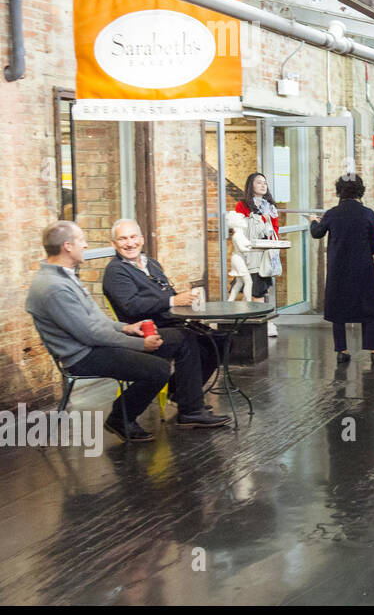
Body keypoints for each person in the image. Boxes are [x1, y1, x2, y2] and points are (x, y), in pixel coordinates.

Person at [26, 222, 229, 441]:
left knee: (191, 339)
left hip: (95, 345)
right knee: (159, 368)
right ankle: (120, 419)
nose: (85, 245)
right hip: (83, 356)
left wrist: (126, 328)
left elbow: (97, 322)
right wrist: (140, 344)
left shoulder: (64, 277)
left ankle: (188, 406)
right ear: (67, 246)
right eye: (81, 240)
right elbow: (92, 334)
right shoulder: (54, 287)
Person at [102, 218, 227, 406]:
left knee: (220, 341)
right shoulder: (116, 271)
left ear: (142, 239)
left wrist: (186, 303)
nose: (130, 243)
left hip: (171, 323)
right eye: (123, 239)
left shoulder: (151, 264)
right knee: (188, 339)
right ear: (113, 244)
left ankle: (178, 392)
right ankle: (191, 409)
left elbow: (167, 292)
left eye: (133, 237)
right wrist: (172, 301)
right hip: (144, 332)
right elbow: (132, 306)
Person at [310, 169, 374, 366]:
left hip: (338, 268)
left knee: (338, 307)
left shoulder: (332, 214)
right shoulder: (368, 213)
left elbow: (317, 233)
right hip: (363, 268)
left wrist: (312, 221)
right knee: (368, 306)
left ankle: (342, 350)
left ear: (339, 191)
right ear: (360, 191)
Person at [234, 172, 283, 337]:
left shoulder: (270, 207)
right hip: (249, 254)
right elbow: (241, 230)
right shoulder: (242, 206)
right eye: (259, 182)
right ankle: (261, 323)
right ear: (251, 185)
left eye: (265, 183)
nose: (263, 185)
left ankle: (258, 322)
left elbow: (274, 231)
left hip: (265, 254)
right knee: (253, 290)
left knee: (258, 289)